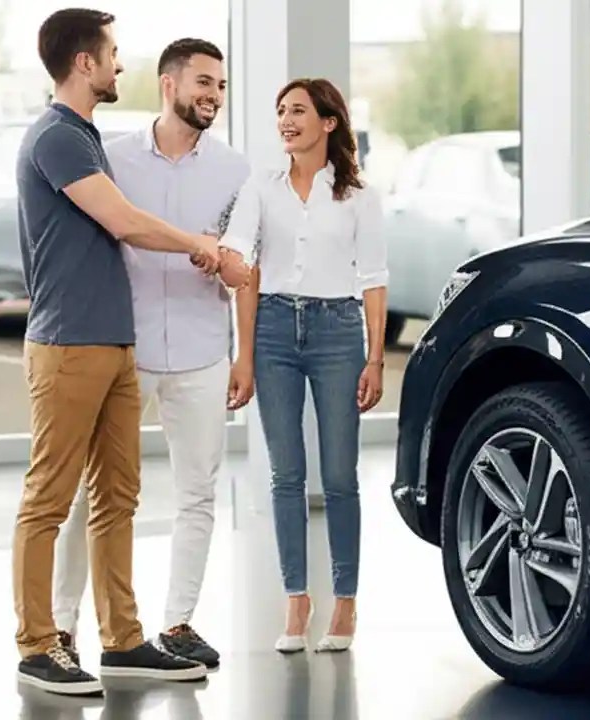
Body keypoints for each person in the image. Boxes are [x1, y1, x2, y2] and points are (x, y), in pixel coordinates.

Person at [12, 9, 222, 695]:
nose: (118, 65)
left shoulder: (84, 135)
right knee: (49, 500)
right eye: (111, 54)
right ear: (83, 64)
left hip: (113, 344)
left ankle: (123, 639)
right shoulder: (57, 138)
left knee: (117, 499)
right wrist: (199, 243)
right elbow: (124, 222)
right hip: (68, 345)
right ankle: (38, 645)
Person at [50, 37, 253, 671]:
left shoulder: (235, 170)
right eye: (203, 83)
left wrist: (241, 350)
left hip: (201, 351)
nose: (213, 96)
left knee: (198, 493)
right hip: (124, 349)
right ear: (168, 85)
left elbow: (244, 266)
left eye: (220, 86)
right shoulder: (109, 159)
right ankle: (62, 627)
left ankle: (179, 623)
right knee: (94, 495)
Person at [217, 78, 388, 654]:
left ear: (329, 122)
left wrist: (375, 358)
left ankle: (346, 602)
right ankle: (296, 601)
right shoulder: (261, 189)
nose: (285, 120)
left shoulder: (359, 196)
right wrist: (242, 354)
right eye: (280, 111)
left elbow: (373, 280)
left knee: (340, 477)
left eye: (297, 111)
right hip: (272, 330)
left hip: (339, 331)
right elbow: (240, 258)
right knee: (285, 475)